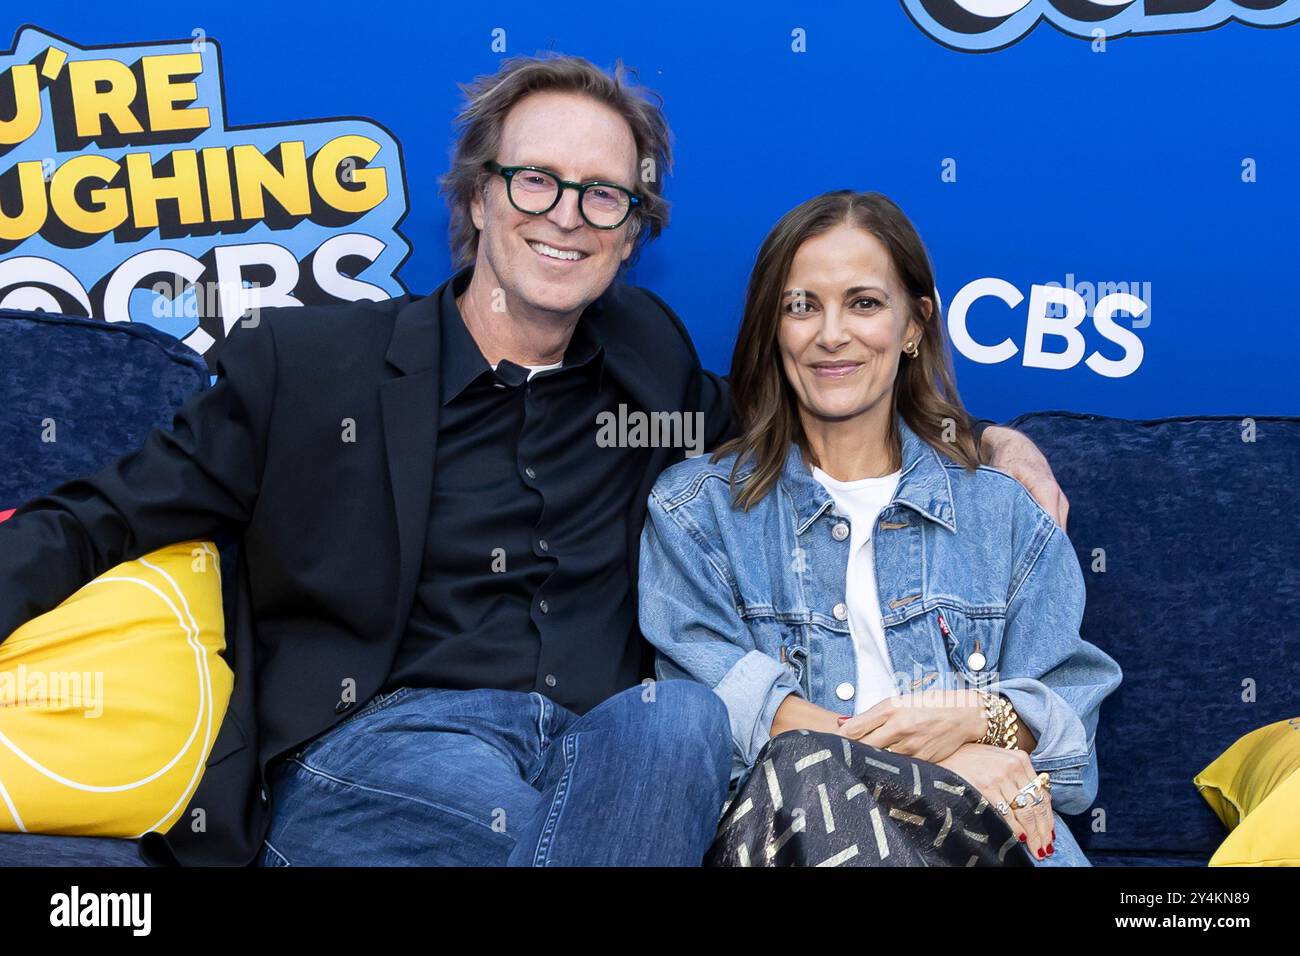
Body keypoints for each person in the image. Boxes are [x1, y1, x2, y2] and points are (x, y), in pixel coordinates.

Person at [0, 57, 1066, 867]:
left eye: (603, 194)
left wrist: (983, 439)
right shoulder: (311, 368)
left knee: (685, 714)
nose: (567, 216)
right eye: (534, 182)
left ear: (630, 229)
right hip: (382, 745)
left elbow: (813, 400)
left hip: (610, 750)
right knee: (506, 800)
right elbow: (103, 515)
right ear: (474, 198)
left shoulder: (646, 366)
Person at [638, 190, 1122, 867]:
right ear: (774, 328)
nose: (832, 333)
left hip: (986, 847)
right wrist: (940, 767)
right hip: (792, 843)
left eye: (864, 303)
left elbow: (1070, 757)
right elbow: (722, 719)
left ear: (915, 324)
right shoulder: (697, 514)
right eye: (802, 305)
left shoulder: (1005, 515)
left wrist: (982, 718)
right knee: (807, 769)